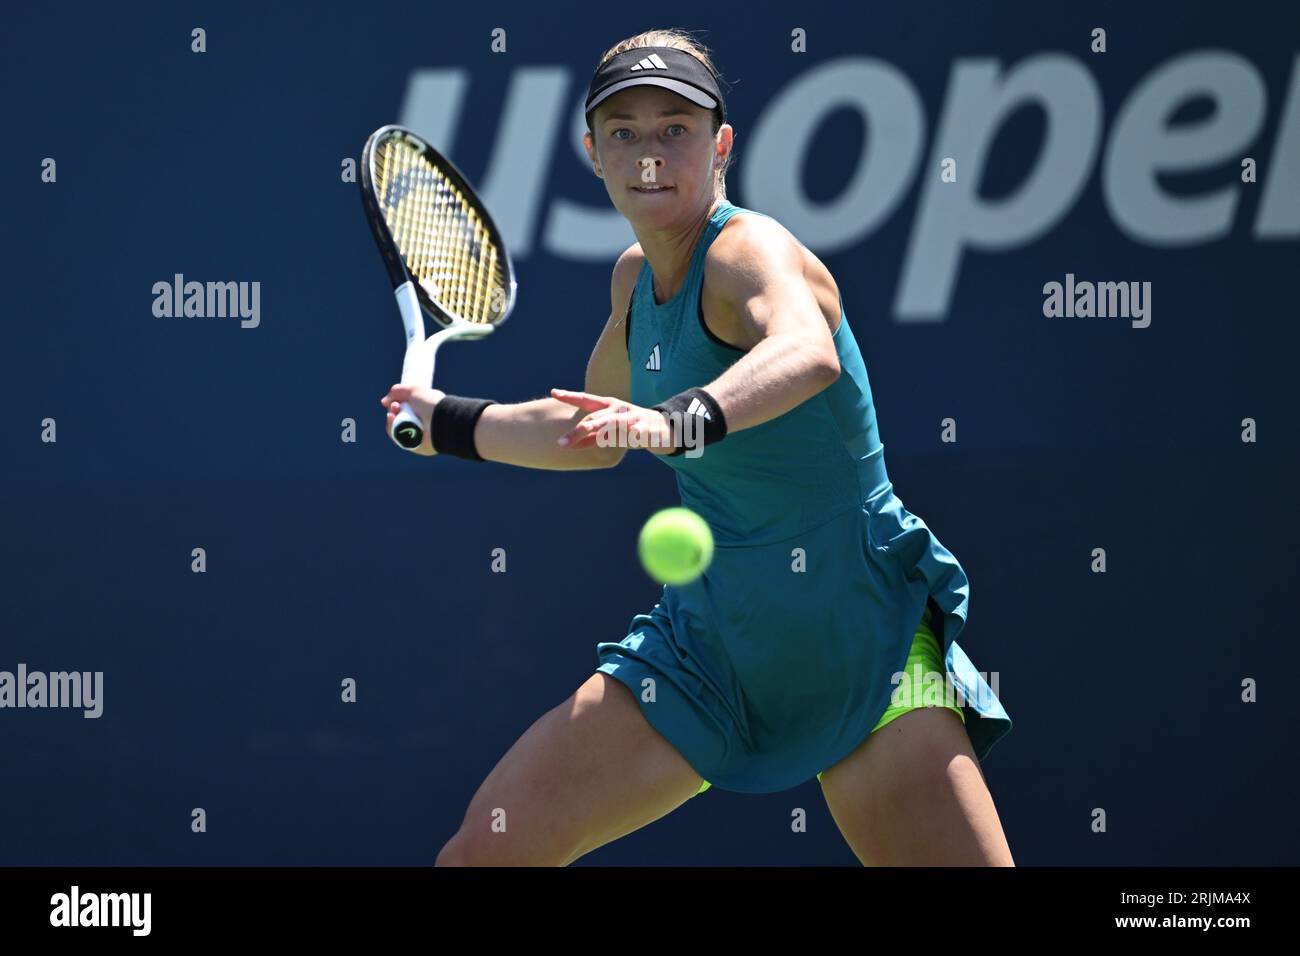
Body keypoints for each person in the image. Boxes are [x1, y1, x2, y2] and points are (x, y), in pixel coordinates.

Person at [381, 29, 1013, 866]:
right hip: (712, 642)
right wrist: (447, 422)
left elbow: (804, 353)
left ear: (721, 145)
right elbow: (591, 434)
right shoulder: (632, 280)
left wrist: (674, 419)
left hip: (860, 632)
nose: (649, 153)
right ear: (593, 154)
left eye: (675, 128)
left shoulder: (752, 250)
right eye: (624, 132)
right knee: (485, 853)